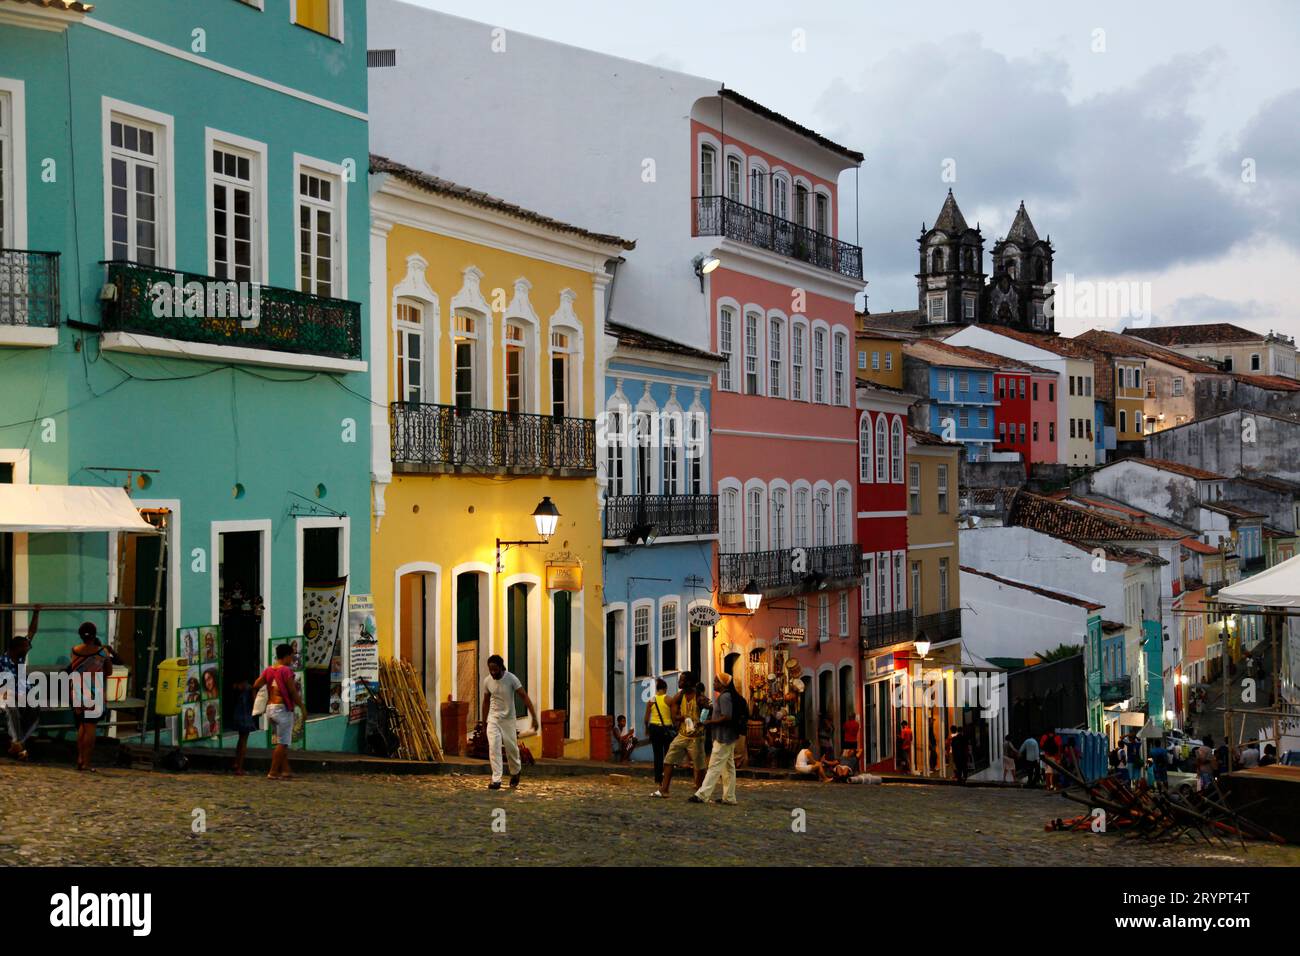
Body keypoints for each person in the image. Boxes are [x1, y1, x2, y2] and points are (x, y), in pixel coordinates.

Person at [479, 653, 540, 791]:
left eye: (495, 669)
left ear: (501, 667)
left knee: (511, 748)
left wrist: (534, 717)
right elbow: (485, 702)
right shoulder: (487, 681)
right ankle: (496, 779)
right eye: (491, 669)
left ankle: (515, 771)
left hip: (508, 719)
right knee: (494, 747)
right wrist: (484, 722)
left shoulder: (511, 679)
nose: (493, 672)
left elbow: (524, 697)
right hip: (493, 718)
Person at [68, 622, 122, 773]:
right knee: (90, 727)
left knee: (82, 726)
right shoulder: (102, 652)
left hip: (77, 689)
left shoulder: (74, 650)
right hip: (94, 691)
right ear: (94, 634)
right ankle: (86, 762)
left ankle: (79, 757)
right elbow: (109, 671)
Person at [253, 643, 303, 781]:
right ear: (287, 656)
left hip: (270, 709)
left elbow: (256, 684)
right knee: (283, 743)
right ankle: (273, 771)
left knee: (281, 741)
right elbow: (293, 692)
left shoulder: (269, 670)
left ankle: (286, 770)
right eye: (291, 656)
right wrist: (302, 708)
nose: (292, 659)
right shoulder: (286, 671)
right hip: (282, 709)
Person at [652, 672, 704, 797]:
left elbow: (709, 707)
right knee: (669, 759)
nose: (678, 682)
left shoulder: (699, 697)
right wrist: (679, 717)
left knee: (699, 766)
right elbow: (674, 712)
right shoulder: (680, 696)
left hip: (696, 737)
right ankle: (664, 789)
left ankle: (701, 791)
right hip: (682, 735)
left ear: (688, 682)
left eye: (681, 680)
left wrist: (702, 720)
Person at [690, 673, 739, 805]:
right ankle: (729, 797)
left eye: (716, 681)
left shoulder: (724, 697)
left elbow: (726, 716)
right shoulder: (724, 697)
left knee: (714, 766)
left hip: (723, 737)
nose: (713, 683)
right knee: (728, 768)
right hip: (727, 736)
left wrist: (710, 722)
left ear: (723, 684)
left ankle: (702, 795)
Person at [1, 610, 40, 760]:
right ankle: (20, 746)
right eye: (24, 648)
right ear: (15, 649)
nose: (27, 649)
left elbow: (32, 632)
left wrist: (36, 612)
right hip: (9, 696)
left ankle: (17, 744)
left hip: (24, 694)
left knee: (35, 711)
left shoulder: (21, 656)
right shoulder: (2, 662)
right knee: (13, 710)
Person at [644, 677, 675, 786]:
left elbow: (646, 719)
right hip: (666, 729)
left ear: (657, 689)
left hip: (654, 728)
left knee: (657, 754)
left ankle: (658, 778)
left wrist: (647, 730)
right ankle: (666, 776)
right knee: (667, 754)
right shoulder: (669, 700)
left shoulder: (651, 700)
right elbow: (673, 716)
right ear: (665, 688)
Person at [230, 679, 257, 776]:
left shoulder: (237, 685)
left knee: (240, 739)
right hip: (246, 715)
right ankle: (240, 768)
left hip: (238, 713)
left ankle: (236, 763)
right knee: (244, 741)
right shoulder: (249, 687)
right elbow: (254, 701)